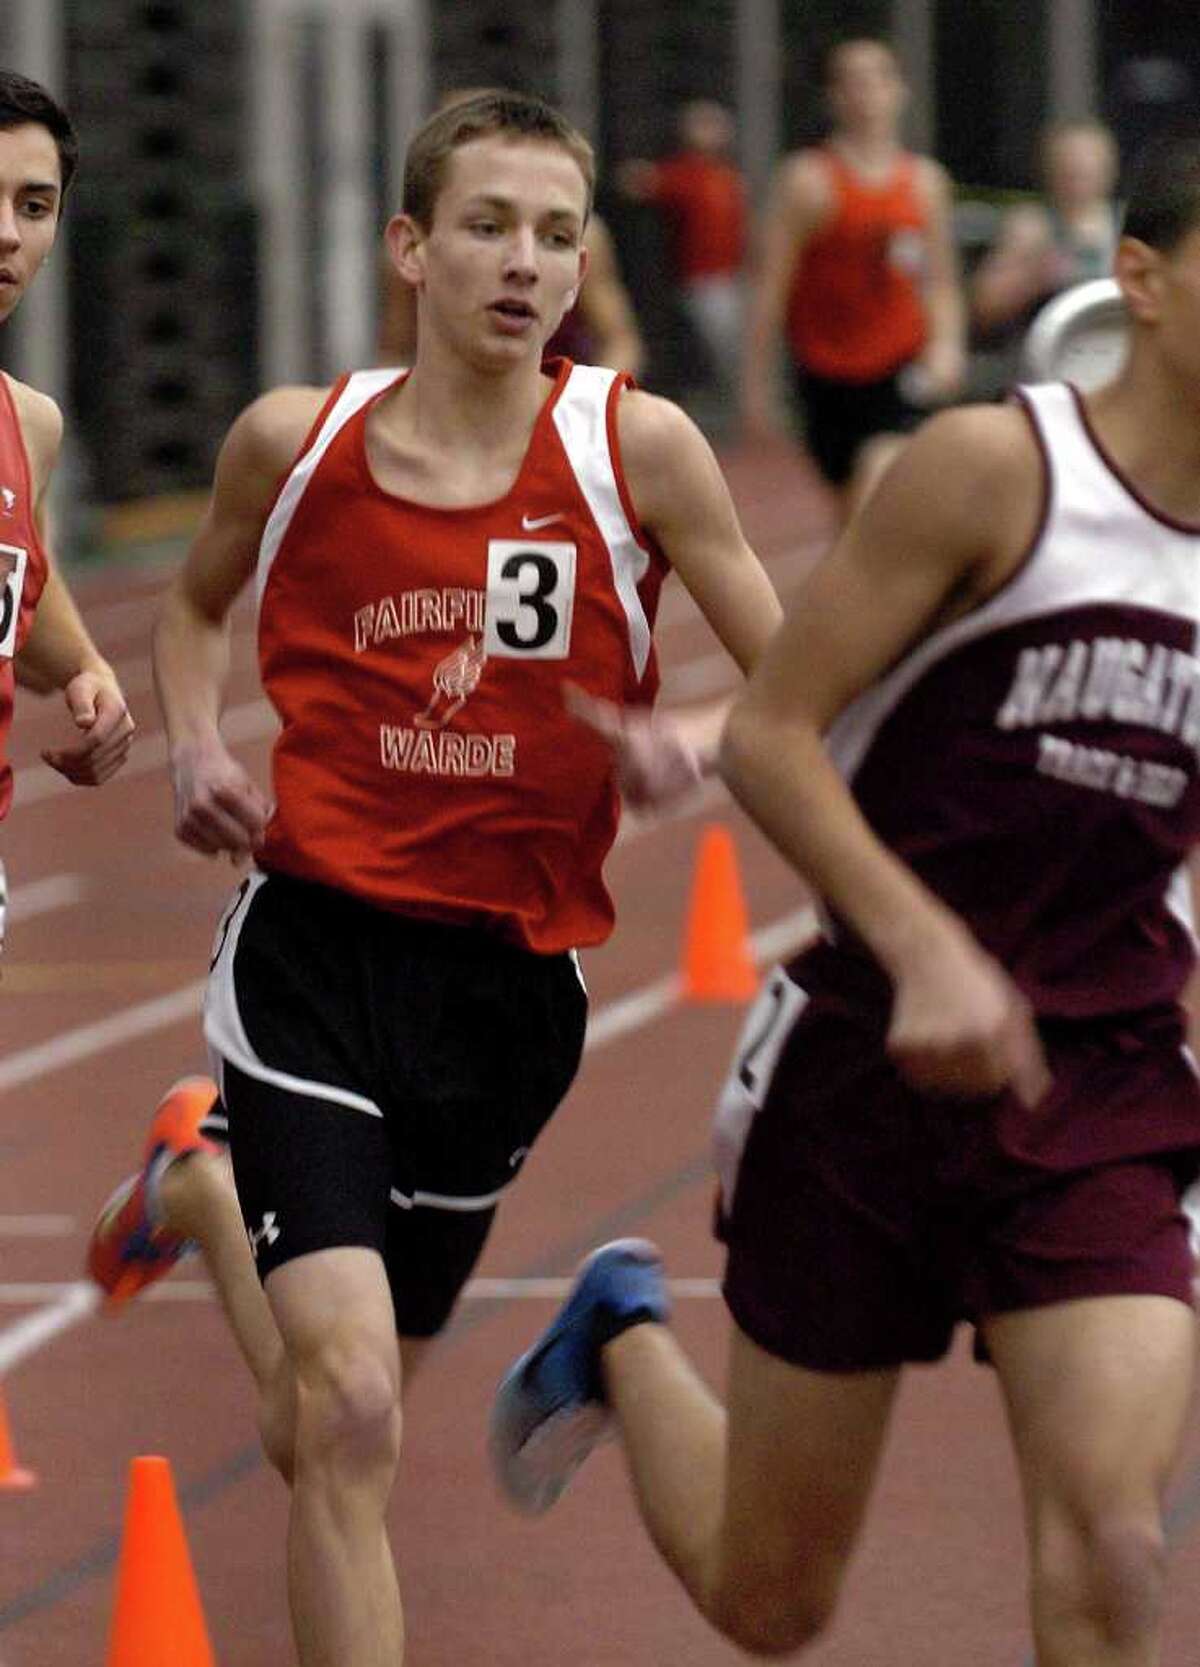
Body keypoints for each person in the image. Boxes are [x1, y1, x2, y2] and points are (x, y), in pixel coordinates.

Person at [86, 90, 780, 1667]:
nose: (521, 262)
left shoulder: (634, 449)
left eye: (553, 234)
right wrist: (194, 748)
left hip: (511, 990)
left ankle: (204, 1194)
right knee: (346, 1415)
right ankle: (228, 1174)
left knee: (345, 1383)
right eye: (486, 226)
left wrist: (708, 739)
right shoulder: (298, 436)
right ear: (411, 247)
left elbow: (809, 675)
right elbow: (192, 612)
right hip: (312, 954)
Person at [491, 131, 1200, 1666]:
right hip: (869, 1067)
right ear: (1140, 279)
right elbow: (774, 727)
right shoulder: (995, 471)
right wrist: (930, 946)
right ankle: (622, 1339)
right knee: (774, 1600)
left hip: (1105, 1085)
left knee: (1118, 1546)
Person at [0, 70, 135, 951]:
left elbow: (22, 587)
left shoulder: (28, 426)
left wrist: (87, 668)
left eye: (35, 205)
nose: (5, 234)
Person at [740, 36, 966, 519]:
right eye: (853, 81)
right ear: (834, 96)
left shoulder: (925, 183)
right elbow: (770, 287)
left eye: (880, 78)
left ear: (900, 90)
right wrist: (756, 384)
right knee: (852, 517)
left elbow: (942, 281)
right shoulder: (806, 181)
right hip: (828, 374)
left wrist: (948, 343)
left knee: (879, 486)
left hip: (901, 368)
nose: (868, 93)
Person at [376, 88, 644, 378]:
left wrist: (585, 408)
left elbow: (620, 339)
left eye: (556, 239)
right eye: (487, 229)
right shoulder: (413, 252)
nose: (524, 264)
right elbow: (395, 347)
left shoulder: (589, 237)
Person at [970, 118, 1121, 397]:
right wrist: (1031, 277)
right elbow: (983, 308)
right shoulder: (1031, 227)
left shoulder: (1127, 229)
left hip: (1111, 370)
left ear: (1108, 169)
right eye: (1069, 171)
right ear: (1050, 171)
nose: (1078, 181)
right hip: (1042, 372)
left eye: (1086, 170)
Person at [617, 100, 747, 402]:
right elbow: (640, 180)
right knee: (721, 344)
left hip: (734, 276)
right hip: (702, 279)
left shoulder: (727, 176)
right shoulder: (686, 173)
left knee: (733, 344)